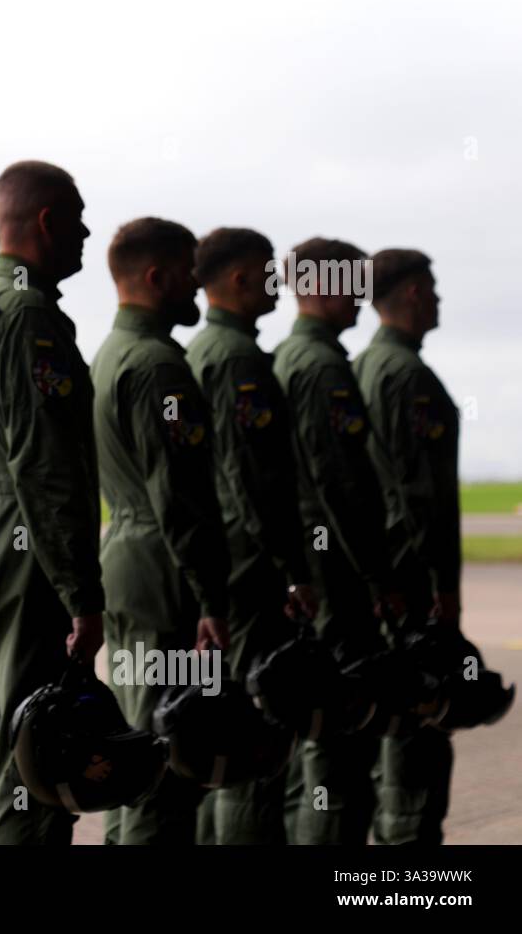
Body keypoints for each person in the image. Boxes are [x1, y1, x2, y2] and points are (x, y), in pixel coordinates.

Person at [0, 161, 104, 844]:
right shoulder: (30, 317)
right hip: (28, 554)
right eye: (77, 218)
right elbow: (46, 468)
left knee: (3, 752)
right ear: (46, 222)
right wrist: (80, 594)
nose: (87, 232)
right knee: (39, 768)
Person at [91, 216, 231, 844]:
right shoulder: (157, 367)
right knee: (169, 763)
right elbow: (179, 498)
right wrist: (211, 599)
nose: (198, 290)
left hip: (127, 560)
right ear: (154, 277)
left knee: (136, 746)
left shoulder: (110, 355)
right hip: (167, 574)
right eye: (187, 276)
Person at [271, 236, 404, 845]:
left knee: (309, 744)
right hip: (337, 576)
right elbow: (343, 485)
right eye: (353, 282)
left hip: (306, 566)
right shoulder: (324, 367)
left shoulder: (283, 358)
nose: (362, 296)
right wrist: (379, 577)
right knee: (339, 746)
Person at [186, 227, 316, 844]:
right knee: (253, 749)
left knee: (223, 742)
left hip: (223, 565)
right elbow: (253, 481)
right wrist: (294, 568)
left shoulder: (201, 350)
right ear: (239, 278)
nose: (278, 285)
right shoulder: (236, 360)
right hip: (250, 567)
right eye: (268, 273)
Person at [354, 248, 458, 845]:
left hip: (374, 578)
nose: (439, 299)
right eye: (433, 287)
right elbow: (425, 497)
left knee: (380, 743)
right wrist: (444, 588)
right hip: (410, 580)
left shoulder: (359, 368)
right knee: (415, 752)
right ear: (414, 293)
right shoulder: (408, 378)